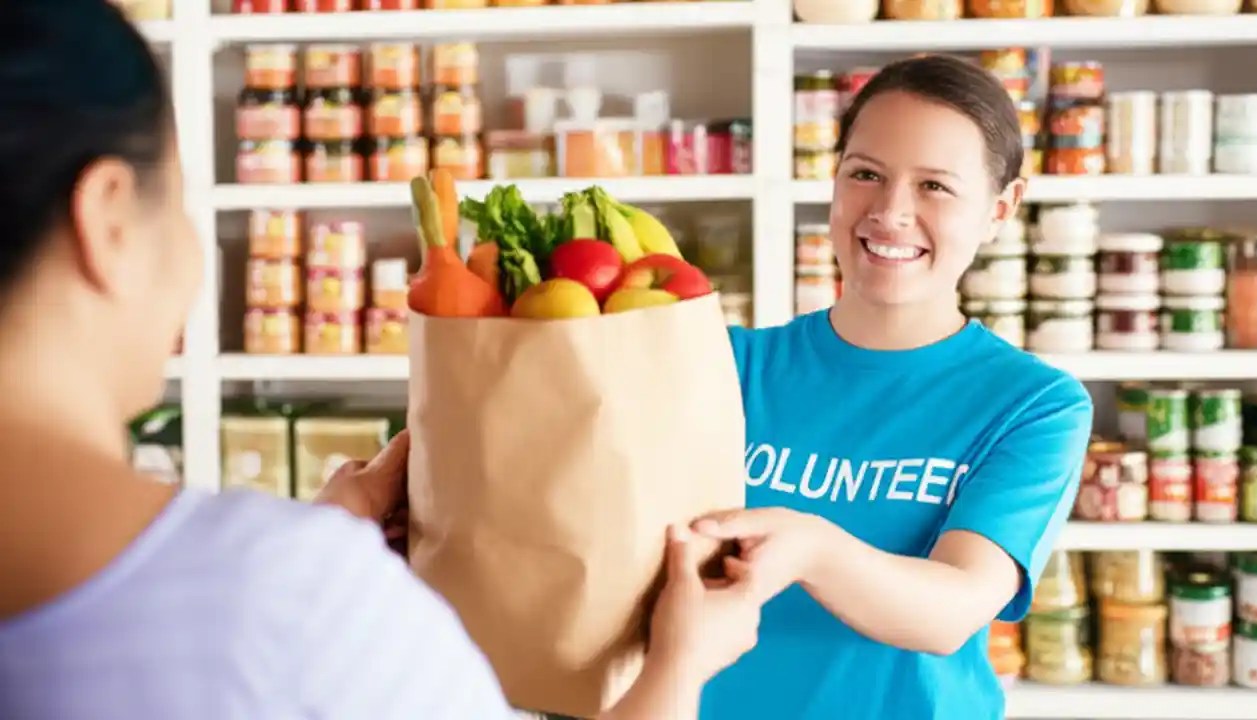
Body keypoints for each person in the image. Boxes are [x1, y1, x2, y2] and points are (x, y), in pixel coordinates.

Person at [0, 2, 760, 719]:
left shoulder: (291, 586)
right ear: (106, 220)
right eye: (181, 202)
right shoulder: (292, 598)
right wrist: (678, 668)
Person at [693, 55, 1095, 719]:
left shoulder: (1034, 405)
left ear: (1000, 209)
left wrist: (811, 547)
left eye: (934, 186)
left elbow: (954, 608)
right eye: (866, 174)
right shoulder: (727, 364)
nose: (890, 212)